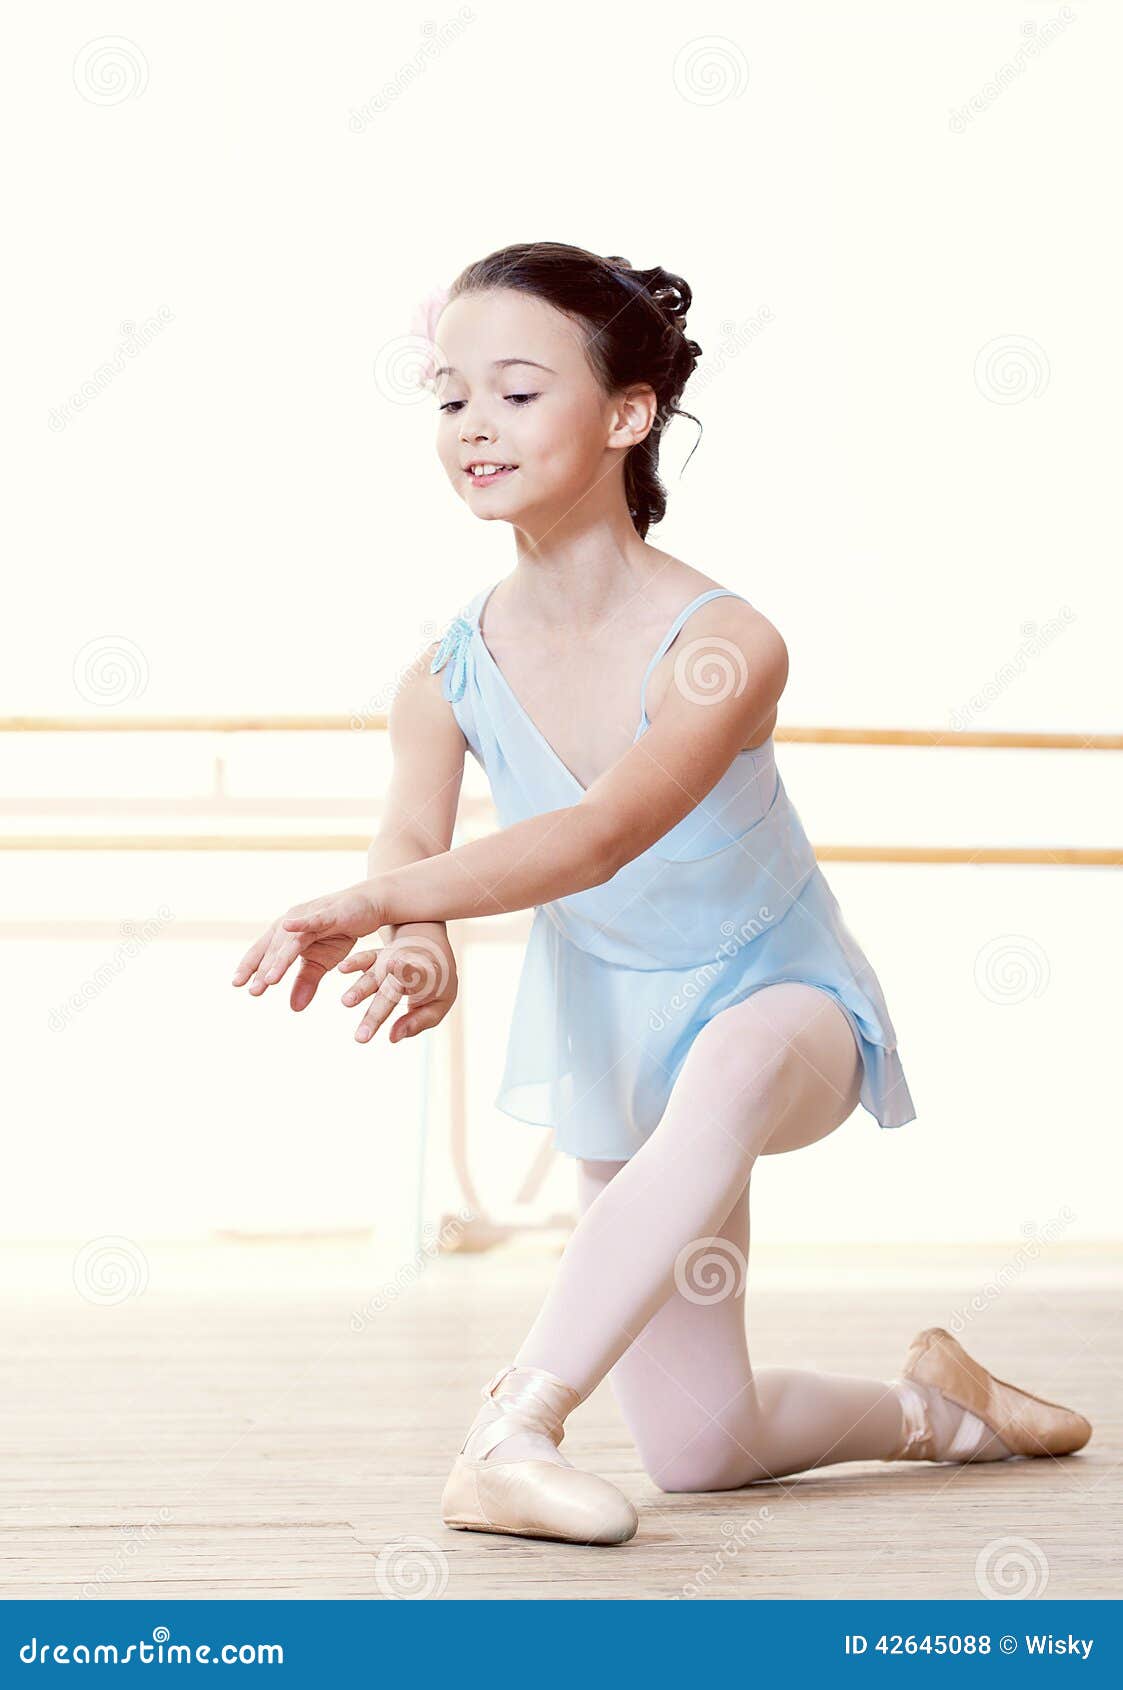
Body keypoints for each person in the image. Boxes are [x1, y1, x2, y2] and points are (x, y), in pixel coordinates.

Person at [231, 242, 1092, 1547]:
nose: (474, 423)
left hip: (778, 995)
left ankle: (510, 1428)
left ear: (628, 414)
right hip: (611, 1035)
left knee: (739, 1063)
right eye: (448, 394)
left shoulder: (726, 644)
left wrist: (372, 899)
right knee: (703, 1445)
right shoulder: (445, 673)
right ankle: (945, 1409)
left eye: (517, 391)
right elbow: (411, 839)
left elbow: (598, 836)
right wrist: (416, 940)